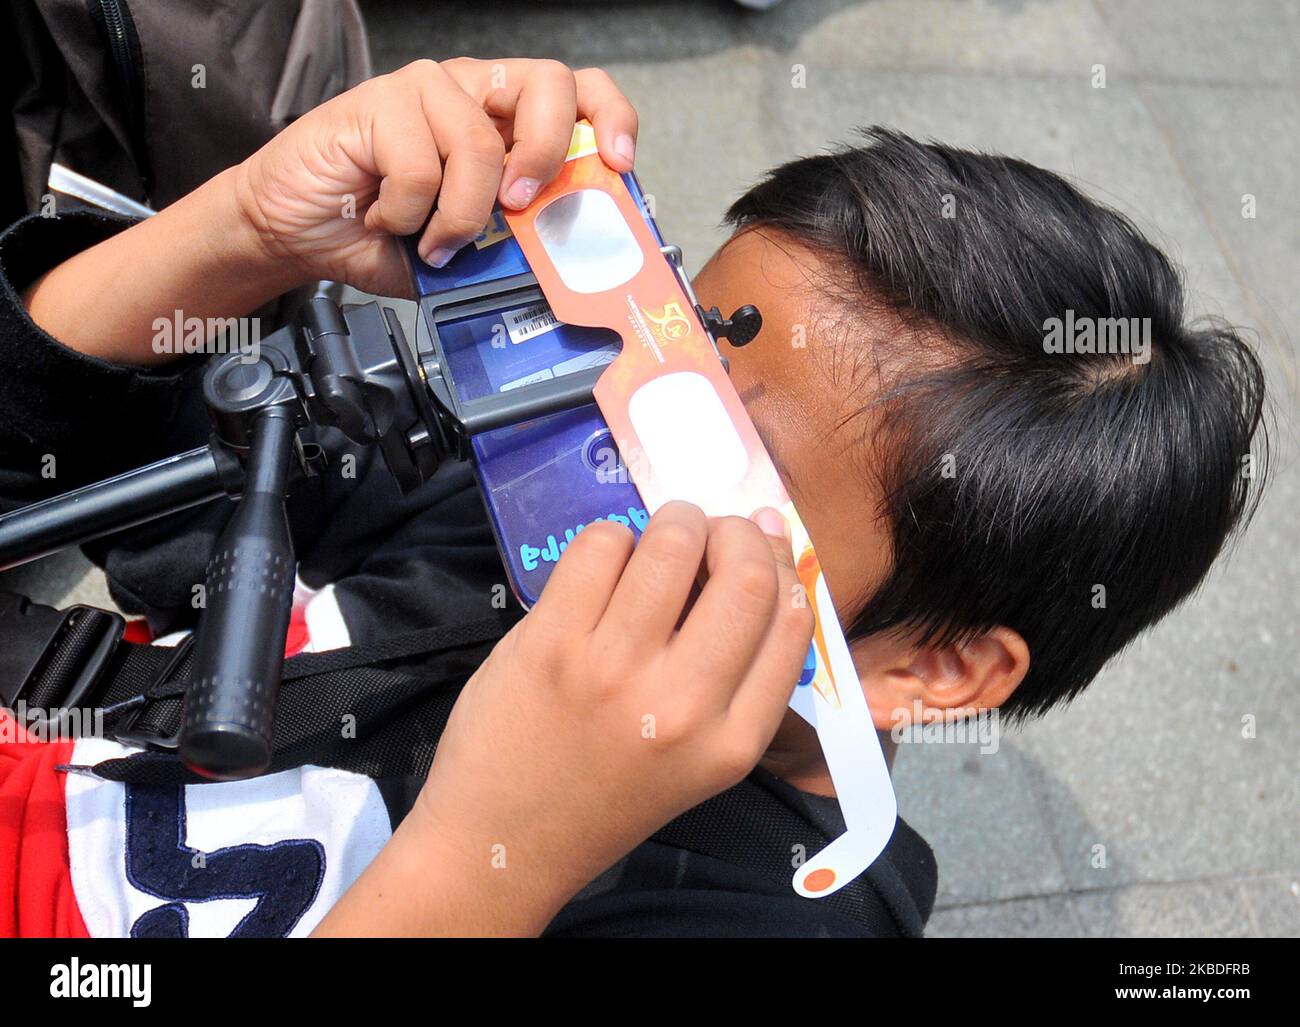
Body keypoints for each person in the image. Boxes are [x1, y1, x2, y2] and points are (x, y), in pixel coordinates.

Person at [0, 56, 1267, 936]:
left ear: (933, 668)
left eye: (706, 440)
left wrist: (484, 861)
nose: (598, 402)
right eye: (666, 322)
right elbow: (62, 458)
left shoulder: (757, 906)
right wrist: (245, 227)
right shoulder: (518, 470)